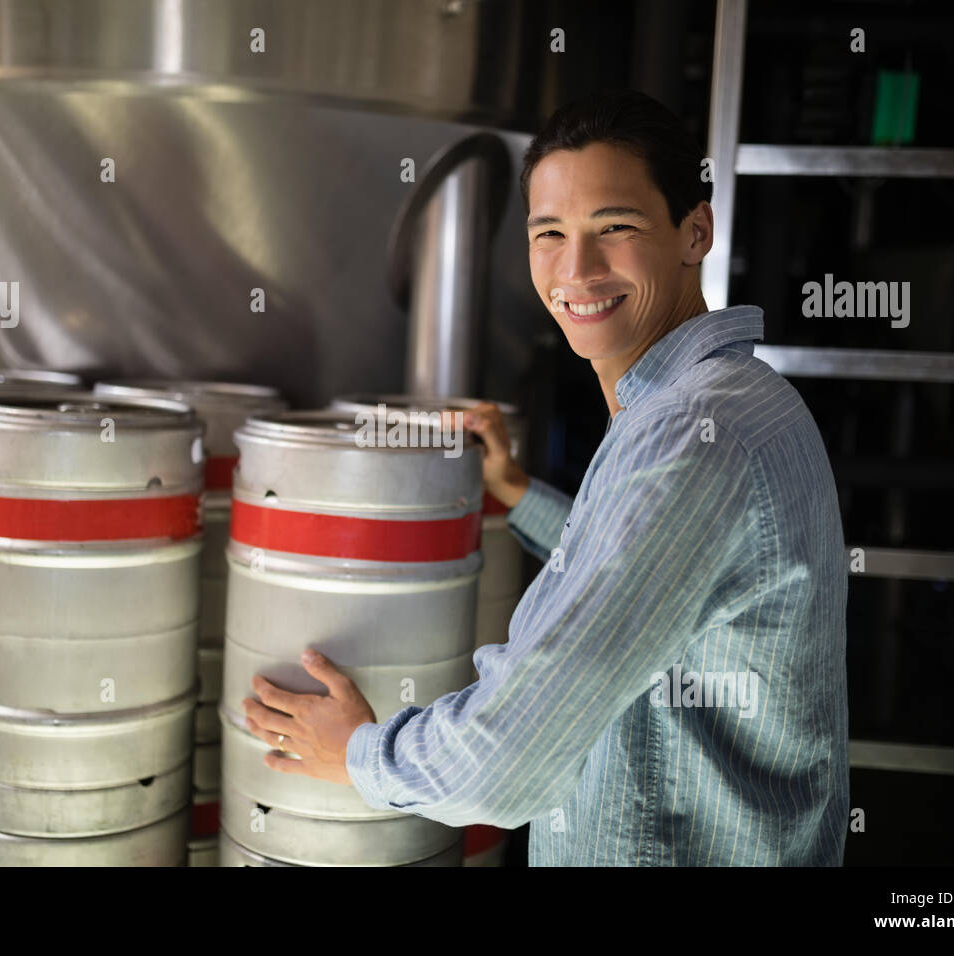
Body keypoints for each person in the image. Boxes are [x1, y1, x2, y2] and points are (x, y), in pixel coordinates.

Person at [242, 89, 850, 866]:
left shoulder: (691, 435)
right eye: (550, 233)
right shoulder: (728, 403)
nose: (576, 269)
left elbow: (507, 764)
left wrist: (360, 754)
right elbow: (653, 584)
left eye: (615, 229)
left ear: (694, 232)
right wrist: (519, 492)